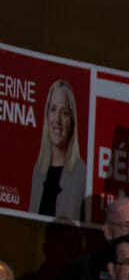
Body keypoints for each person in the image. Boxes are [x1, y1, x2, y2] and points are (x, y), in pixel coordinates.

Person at [28, 77, 86, 220]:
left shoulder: (81, 173)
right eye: (53, 109)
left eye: (65, 113)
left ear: (72, 122)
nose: (58, 120)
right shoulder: (39, 169)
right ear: (47, 115)